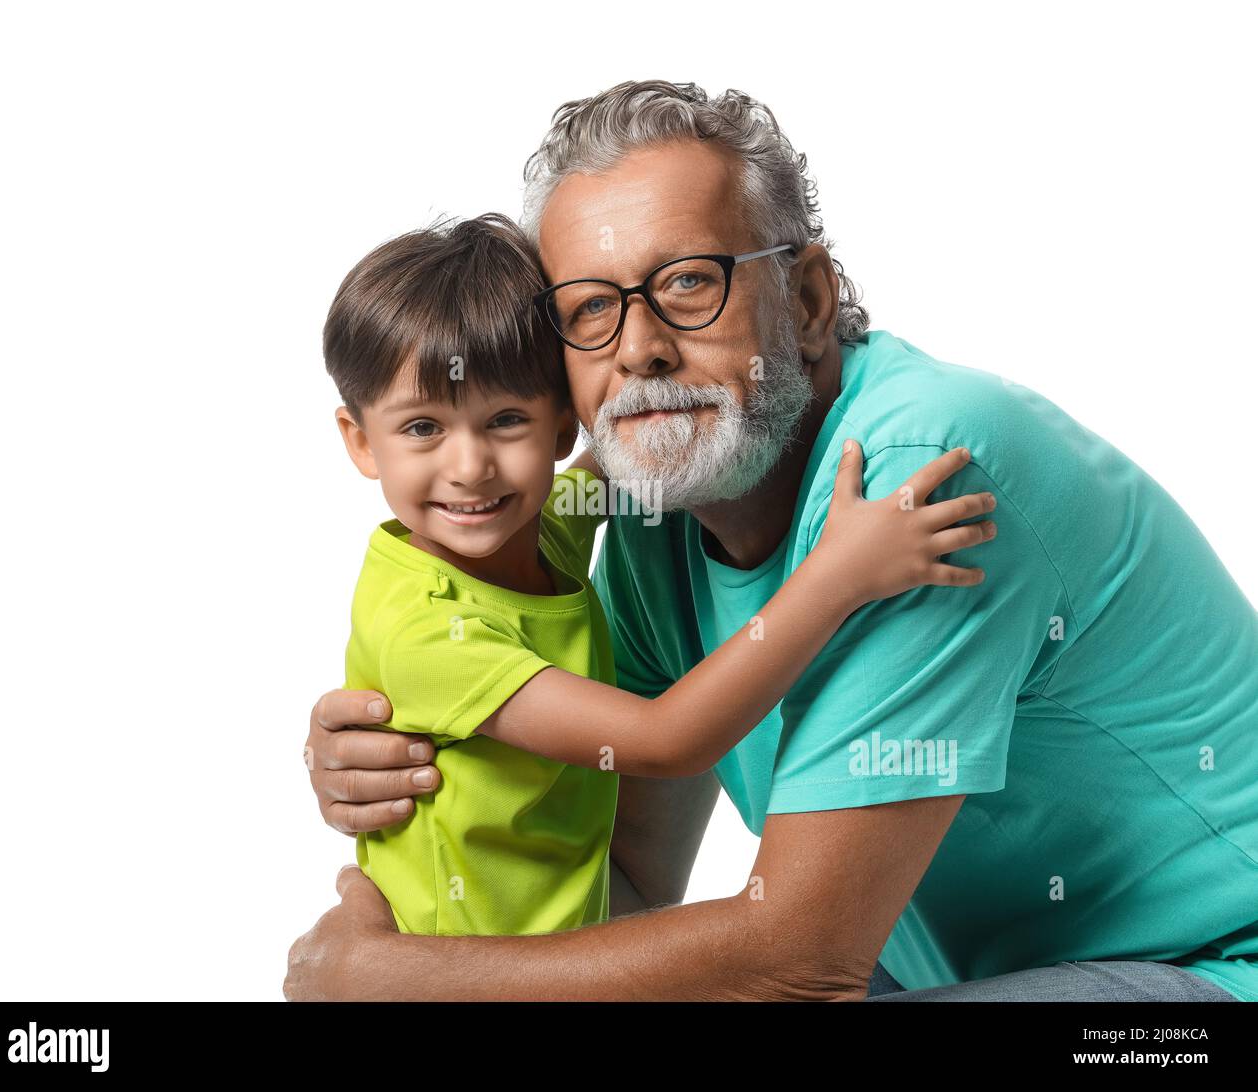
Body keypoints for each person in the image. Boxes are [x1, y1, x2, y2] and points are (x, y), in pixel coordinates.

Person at [288, 81, 1257, 1001]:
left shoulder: (913, 483)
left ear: (804, 301)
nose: (640, 349)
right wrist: (439, 757)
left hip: (1204, 980)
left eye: (687, 283)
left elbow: (796, 963)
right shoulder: (648, 515)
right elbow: (625, 885)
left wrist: (401, 983)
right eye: (590, 309)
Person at [321, 212, 994, 936]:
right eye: (423, 428)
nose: (469, 468)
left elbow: (607, 468)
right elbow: (667, 741)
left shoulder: (536, 535)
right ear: (361, 442)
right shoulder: (426, 630)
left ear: (560, 426)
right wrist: (838, 577)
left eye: (506, 420)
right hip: (471, 973)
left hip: (568, 954)